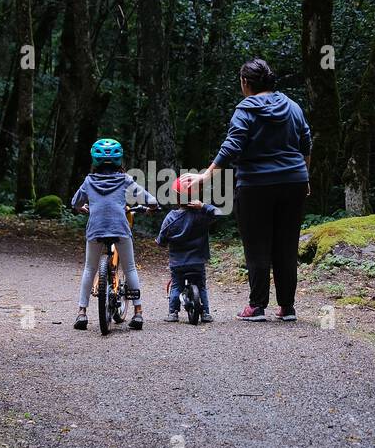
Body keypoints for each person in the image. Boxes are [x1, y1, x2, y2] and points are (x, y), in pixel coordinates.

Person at [180, 59, 311, 321]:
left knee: (257, 245)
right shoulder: (293, 107)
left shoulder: (245, 110)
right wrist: (305, 176)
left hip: (256, 185)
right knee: (286, 244)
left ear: (245, 83)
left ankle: (257, 306)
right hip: (293, 182)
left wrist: (205, 176)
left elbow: (232, 146)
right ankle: (287, 308)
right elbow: (306, 141)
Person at [70, 138, 159, 330]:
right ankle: (138, 313)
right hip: (120, 228)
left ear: (95, 160)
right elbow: (148, 198)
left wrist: (82, 208)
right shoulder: (124, 179)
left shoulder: (89, 181)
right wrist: (153, 206)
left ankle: (82, 313)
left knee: (89, 269)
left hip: (95, 229)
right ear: (119, 160)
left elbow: (75, 203)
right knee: (130, 268)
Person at [156, 200, 220, 322]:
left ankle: (173, 313)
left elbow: (161, 240)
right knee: (201, 286)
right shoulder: (201, 215)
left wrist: (162, 241)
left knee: (176, 286)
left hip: (178, 262)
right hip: (197, 261)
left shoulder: (171, 217)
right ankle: (205, 313)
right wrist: (203, 206)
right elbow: (218, 213)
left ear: (178, 199)